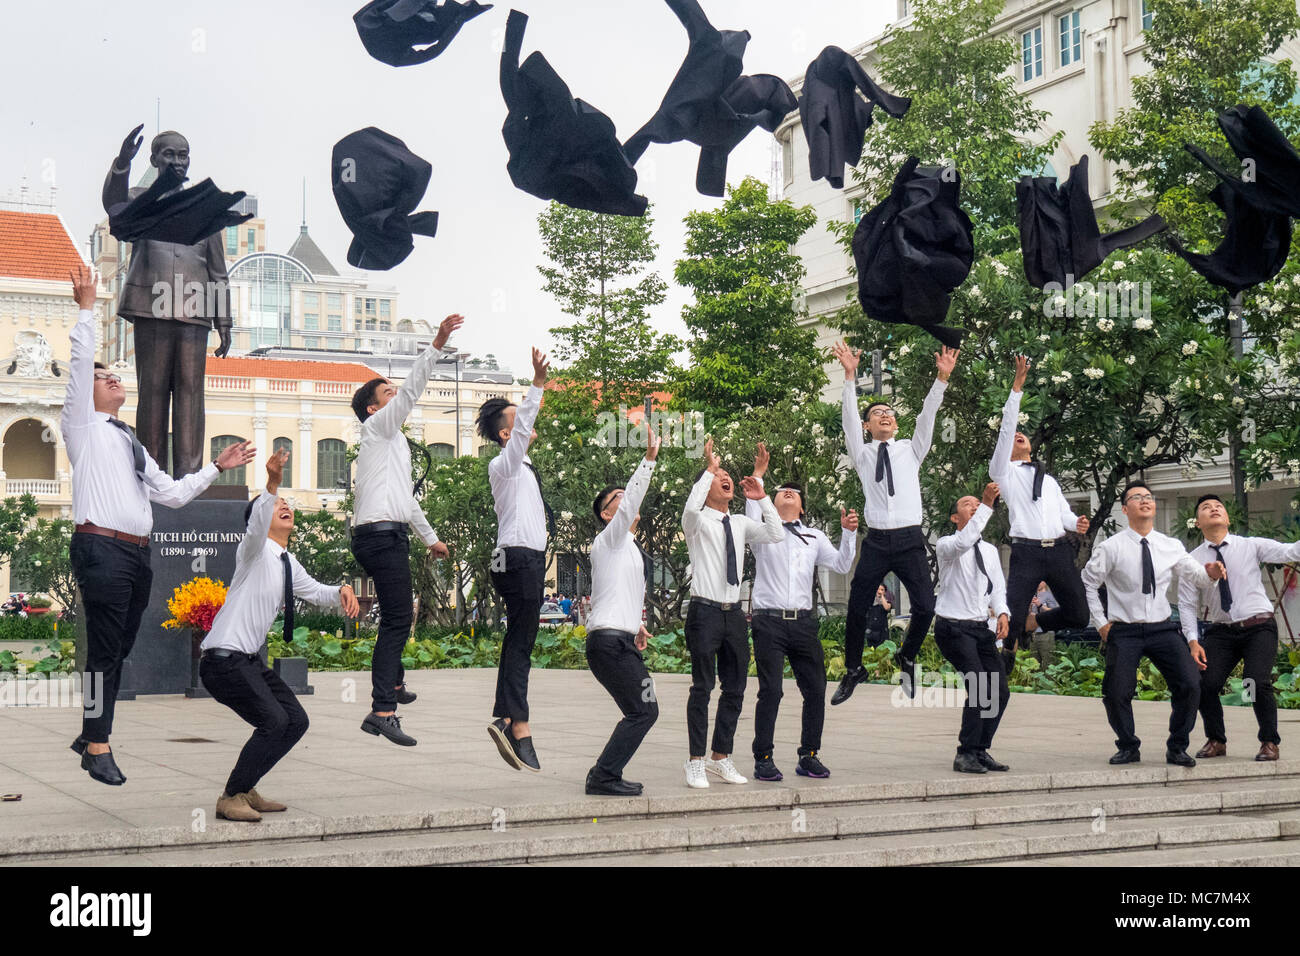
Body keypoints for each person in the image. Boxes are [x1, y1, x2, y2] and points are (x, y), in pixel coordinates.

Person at [64, 264, 254, 786]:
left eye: (115, 376)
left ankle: (89, 730)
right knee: (107, 651)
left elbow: (171, 493)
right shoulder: (81, 425)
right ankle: (98, 745)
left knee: (118, 649)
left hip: (135, 555)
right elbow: (81, 364)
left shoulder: (129, 440)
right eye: (105, 379)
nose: (112, 380)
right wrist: (86, 310)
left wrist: (218, 466)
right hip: (100, 547)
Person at [199, 449, 360, 822]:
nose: (284, 506)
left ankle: (247, 784)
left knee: (295, 721)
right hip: (224, 661)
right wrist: (271, 482)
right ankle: (230, 796)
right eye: (276, 505)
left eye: (287, 503)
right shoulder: (253, 551)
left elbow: (315, 591)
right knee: (273, 722)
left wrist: (341, 591)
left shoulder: (286, 561)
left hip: (248, 662)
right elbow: (256, 525)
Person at [350, 314, 461, 747]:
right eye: (387, 392)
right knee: (398, 617)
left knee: (399, 613)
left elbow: (407, 501)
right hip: (379, 535)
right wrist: (435, 345)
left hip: (385, 532)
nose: (396, 395)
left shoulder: (391, 445)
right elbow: (413, 391)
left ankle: (392, 687)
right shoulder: (376, 427)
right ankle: (383, 709)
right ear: (375, 407)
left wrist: (430, 538)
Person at [102, 126, 236, 477]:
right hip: (152, 307)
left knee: (192, 394)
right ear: (155, 159)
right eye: (170, 154)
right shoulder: (141, 199)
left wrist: (224, 321)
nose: (177, 160)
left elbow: (218, 270)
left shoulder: (204, 207)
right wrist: (121, 163)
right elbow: (114, 207)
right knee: (153, 391)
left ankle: (190, 476)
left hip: (195, 311)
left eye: (183, 154)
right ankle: (153, 473)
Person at [830, 341, 957, 702]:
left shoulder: (911, 450)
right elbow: (848, 419)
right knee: (856, 606)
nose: (884, 415)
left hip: (909, 541)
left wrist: (942, 380)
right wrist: (850, 375)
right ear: (868, 426)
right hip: (876, 542)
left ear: (895, 422)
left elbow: (927, 417)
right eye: (876, 414)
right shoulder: (863, 453)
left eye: (888, 412)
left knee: (926, 607)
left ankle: (907, 655)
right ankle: (854, 669)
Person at [1080, 482, 1226, 767]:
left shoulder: (1170, 545)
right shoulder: (1111, 548)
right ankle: (1128, 746)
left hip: (1162, 627)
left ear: (1154, 506)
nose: (1145, 501)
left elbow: (1197, 576)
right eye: (1137, 498)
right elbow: (1088, 582)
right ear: (1125, 509)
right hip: (1124, 630)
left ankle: (1177, 746)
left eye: (1148, 497)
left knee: (1190, 684)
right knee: (1116, 692)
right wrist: (1100, 623)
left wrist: (1210, 574)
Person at [746, 445, 858, 782]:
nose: (788, 494)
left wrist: (849, 534)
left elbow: (840, 564)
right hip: (769, 621)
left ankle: (809, 754)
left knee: (816, 689)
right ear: (774, 501)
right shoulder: (764, 532)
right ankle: (763, 756)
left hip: (804, 623)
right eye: (783, 492)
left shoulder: (815, 536)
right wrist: (759, 476)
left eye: (794, 493)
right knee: (772, 690)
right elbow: (752, 513)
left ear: (802, 506)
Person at [680, 439, 784, 789]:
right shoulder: (696, 523)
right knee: (703, 687)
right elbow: (691, 509)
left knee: (736, 688)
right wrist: (708, 468)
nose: (725, 477)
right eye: (717, 475)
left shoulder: (739, 522)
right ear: (705, 486)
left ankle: (719, 757)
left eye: (726, 475)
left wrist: (761, 494)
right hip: (704, 611)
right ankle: (694, 760)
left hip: (734, 614)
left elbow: (775, 533)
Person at [1179, 493, 1300, 761]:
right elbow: (1186, 604)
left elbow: (1290, 551)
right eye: (1206, 508)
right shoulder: (1192, 560)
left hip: (1259, 626)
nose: (1213, 509)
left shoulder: (1250, 545)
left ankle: (1269, 742)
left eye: (1218, 506)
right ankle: (1216, 740)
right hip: (1221, 631)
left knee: (1255, 682)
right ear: (1197, 522)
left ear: (1227, 518)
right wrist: (1192, 640)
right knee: (1203, 684)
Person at [478, 347, 553, 772]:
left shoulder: (521, 468)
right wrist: (537, 385)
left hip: (523, 559)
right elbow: (524, 424)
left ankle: (508, 716)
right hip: (515, 558)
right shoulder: (503, 466)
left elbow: (523, 426)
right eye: (517, 420)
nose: (527, 424)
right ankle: (516, 724)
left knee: (519, 641)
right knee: (521, 643)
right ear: (506, 435)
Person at [990, 356, 1091, 672]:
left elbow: (1062, 514)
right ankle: (1006, 656)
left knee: (1078, 615)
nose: (1019, 435)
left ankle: (1035, 623)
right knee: (1014, 612)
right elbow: (1008, 427)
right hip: (1027, 551)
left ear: (1031, 446)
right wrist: (1017, 388)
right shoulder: (1003, 472)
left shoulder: (1048, 479)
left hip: (1058, 549)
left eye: (1024, 434)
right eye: (1013, 438)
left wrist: (1077, 522)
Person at [584, 427, 662, 796]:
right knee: (644, 711)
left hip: (619, 640)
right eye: (617, 498)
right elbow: (631, 500)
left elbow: (620, 591)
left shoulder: (629, 549)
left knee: (643, 710)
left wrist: (637, 626)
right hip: (609, 645)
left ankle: (604, 773)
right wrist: (648, 459)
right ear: (606, 514)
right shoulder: (610, 539)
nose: (626, 500)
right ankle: (603, 776)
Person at [933, 483, 1011, 774]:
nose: (974, 505)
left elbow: (997, 587)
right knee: (979, 684)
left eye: (977, 503)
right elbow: (964, 542)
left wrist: (1002, 612)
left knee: (1000, 691)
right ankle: (964, 752)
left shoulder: (990, 551)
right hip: (952, 628)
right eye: (968, 504)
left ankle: (980, 748)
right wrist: (988, 505)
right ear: (955, 518)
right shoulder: (946, 545)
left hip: (981, 629)